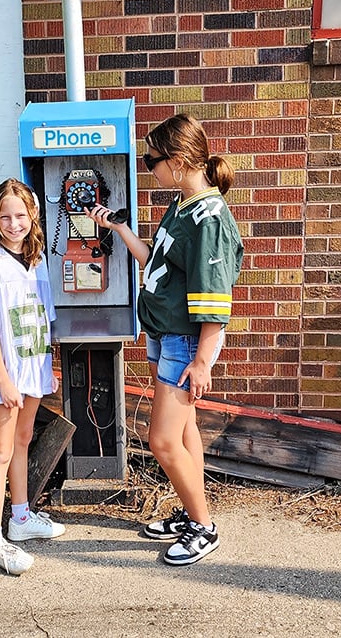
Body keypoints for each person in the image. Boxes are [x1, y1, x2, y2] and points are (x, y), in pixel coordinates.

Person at [87, 113, 243, 567]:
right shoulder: (183, 204)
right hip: (163, 334)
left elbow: (216, 299)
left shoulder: (210, 218)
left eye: (151, 160)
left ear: (176, 161)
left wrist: (202, 362)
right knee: (184, 430)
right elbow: (153, 261)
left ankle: (205, 529)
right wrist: (118, 228)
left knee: (161, 440)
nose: (147, 167)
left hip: (183, 341)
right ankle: (195, 515)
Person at [0, 177, 65, 575]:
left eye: (20, 215)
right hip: (9, 373)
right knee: (2, 449)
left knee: (24, 439)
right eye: (5, 216)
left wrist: (50, 368)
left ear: (33, 216)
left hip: (35, 366)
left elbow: (45, 319)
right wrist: (4, 379)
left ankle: (21, 517)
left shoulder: (38, 259)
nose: (13, 224)